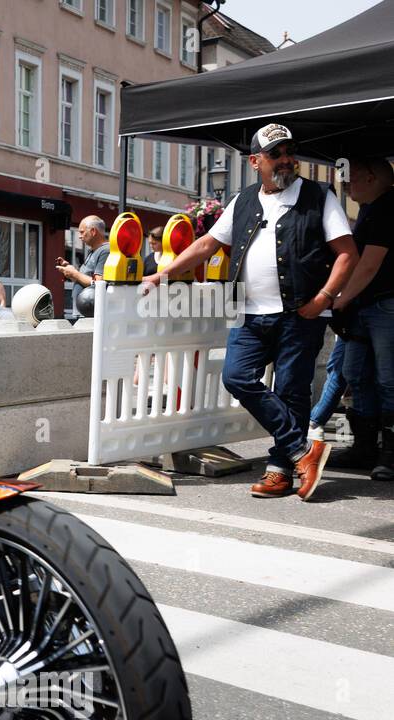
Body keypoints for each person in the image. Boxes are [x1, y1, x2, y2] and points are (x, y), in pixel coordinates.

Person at [141, 122, 357, 500]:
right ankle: (303, 450)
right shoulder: (243, 200)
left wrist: (324, 298)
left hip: (300, 312)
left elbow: (346, 254)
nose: (286, 159)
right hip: (250, 312)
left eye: (290, 152)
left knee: (291, 390)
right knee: (237, 377)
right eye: (276, 154)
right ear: (256, 161)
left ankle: (280, 470)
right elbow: (208, 243)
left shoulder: (318, 196)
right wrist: (163, 274)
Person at [333, 156, 394, 480]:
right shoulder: (374, 209)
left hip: (383, 304)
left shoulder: (387, 207)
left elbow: (370, 264)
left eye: (353, 177)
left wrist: (343, 298)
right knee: (357, 373)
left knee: (386, 379)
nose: (347, 183)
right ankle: (366, 447)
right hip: (369, 305)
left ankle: (386, 452)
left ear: (371, 177)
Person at [55, 216, 110, 291]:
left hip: (91, 303)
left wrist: (74, 273)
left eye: (82, 232)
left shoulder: (105, 251)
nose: (79, 237)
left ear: (93, 231)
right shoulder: (93, 251)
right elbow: (83, 279)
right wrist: (69, 269)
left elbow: (98, 283)